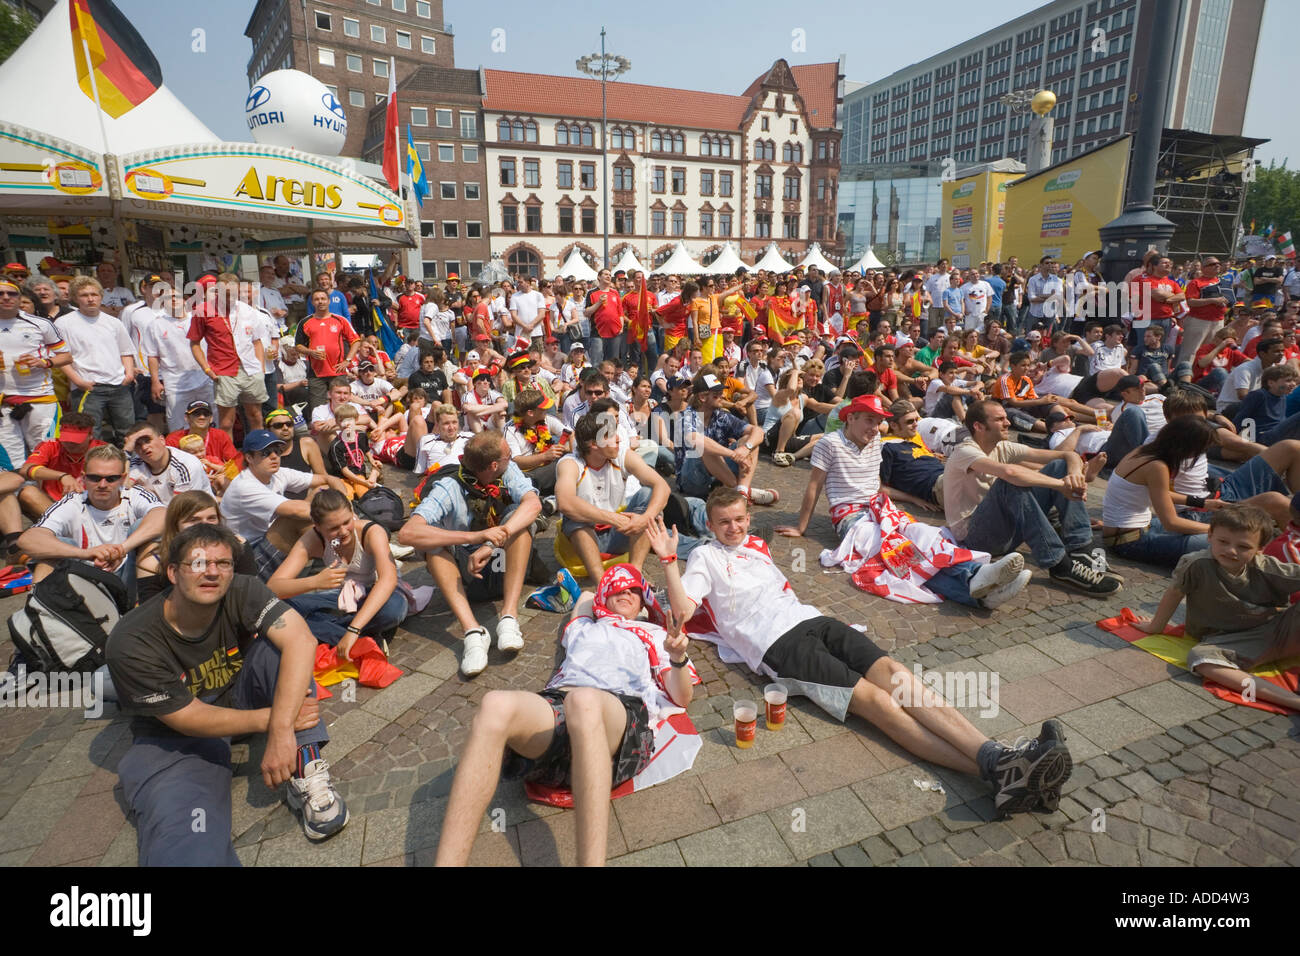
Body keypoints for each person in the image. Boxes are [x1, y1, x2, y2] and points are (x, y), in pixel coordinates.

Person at [651, 496, 1072, 816]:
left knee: (895, 673)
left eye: (741, 518)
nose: (734, 527)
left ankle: (999, 760)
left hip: (812, 620)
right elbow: (685, 610)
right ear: (709, 524)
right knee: (875, 701)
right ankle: (1002, 767)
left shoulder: (758, 546)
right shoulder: (704, 556)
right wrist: (670, 560)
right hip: (779, 647)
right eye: (724, 521)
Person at [108, 523, 347, 864]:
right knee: (190, 834)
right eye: (199, 563)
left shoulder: (242, 588)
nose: (212, 573)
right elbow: (187, 718)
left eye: (223, 564)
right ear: (173, 572)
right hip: (178, 736)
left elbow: (301, 639)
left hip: (240, 695)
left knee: (279, 649)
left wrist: (282, 730)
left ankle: (305, 766)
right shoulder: (132, 641)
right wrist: (277, 719)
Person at [435, 562, 695, 866]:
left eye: (633, 590)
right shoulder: (583, 627)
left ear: (643, 602)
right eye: (616, 588)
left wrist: (677, 656)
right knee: (494, 704)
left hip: (620, 715)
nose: (624, 592)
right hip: (562, 702)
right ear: (603, 599)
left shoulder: (654, 633)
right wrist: (600, 599)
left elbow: (681, 696)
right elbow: (586, 596)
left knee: (583, 703)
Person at [776, 394, 1028, 609]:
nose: (875, 428)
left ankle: (981, 589)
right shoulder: (829, 444)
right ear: (850, 418)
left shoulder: (875, 441)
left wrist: (909, 499)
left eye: (878, 422)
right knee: (897, 552)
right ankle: (976, 577)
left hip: (880, 506)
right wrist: (801, 527)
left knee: (923, 536)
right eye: (869, 420)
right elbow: (813, 486)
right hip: (849, 515)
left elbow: (876, 485)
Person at [397, 429, 542, 677]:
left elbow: (534, 503)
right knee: (432, 546)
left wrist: (492, 542)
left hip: (503, 564)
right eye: (509, 455)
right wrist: (473, 537)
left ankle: (508, 616)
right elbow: (407, 534)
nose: (513, 457)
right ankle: (473, 633)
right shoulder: (449, 486)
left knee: (521, 524)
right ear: (494, 464)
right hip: (467, 574)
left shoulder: (508, 471)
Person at [943, 399, 1119, 594]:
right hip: (975, 538)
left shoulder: (1003, 447)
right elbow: (1010, 473)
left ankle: (1081, 549)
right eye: (1000, 419)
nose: (1008, 422)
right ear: (979, 426)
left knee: (1059, 467)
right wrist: (1061, 485)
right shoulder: (964, 451)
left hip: (1005, 531)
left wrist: (1075, 476)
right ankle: (1059, 565)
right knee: (1010, 483)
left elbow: (1067, 456)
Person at [1136, 505, 1300, 712]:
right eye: (1223, 542)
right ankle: (1292, 701)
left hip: (1276, 630)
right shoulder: (1196, 564)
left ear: (1260, 549)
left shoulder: (1267, 566)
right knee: (1199, 659)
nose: (1231, 550)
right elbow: (1174, 593)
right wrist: (1154, 627)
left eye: (1243, 547)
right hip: (1224, 641)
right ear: (1210, 536)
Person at [268, 489, 406, 656]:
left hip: (377, 595)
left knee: (393, 608)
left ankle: (337, 632)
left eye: (347, 522)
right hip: (338, 597)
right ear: (318, 527)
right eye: (333, 528)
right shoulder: (313, 539)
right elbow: (273, 587)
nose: (343, 531)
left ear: (352, 512)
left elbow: (388, 580)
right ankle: (361, 642)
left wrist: (353, 630)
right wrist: (314, 582)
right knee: (279, 608)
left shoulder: (371, 532)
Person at [17, 444, 166, 591]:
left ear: (122, 479)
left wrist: (121, 549)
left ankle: (147, 602)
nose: (102, 484)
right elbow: (28, 540)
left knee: (146, 529)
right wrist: (86, 553)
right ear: (83, 478)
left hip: (129, 577)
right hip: (85, 580)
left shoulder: (135, 495)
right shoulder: (72, 502)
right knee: (53, 547)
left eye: (111, 478)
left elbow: (164, 516)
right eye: (95, 478)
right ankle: (38, 607)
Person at [555, 408, 672, 583]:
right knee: (575, 513)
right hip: (583, 538)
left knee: (648, 496)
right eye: (611, 436)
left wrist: (645, 518)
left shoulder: (622, 455)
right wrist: (614, 519)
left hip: (619, 533)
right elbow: (565, 503)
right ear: (594, 444)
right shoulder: (571, 463)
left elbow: (662, 486)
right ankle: (601, 583)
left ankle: (634, 575)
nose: (618, 438)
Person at [1101, 416, 1216, 567]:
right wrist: (1216, 532)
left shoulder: (1143, 452)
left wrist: (1202, 503)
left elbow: (1160, 493)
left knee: (1211, 518)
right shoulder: (1157, 466)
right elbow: (1171, 523)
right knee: (1224, 545)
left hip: (1135, 529)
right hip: (1129, 542)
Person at [220, 429, 331, 579]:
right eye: (265, 453)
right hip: (246, 561)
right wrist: (342, 514)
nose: (274, 457)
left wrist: (344, 502)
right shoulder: (244, 486)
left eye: (277, 451)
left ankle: (327, 561)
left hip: (265, 543)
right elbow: (297, 511)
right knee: (291, 519)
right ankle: (330, 563)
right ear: (249, 458)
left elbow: (327, 480)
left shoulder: (278, 473)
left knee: (320, 491)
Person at [671, 372, 777, 504]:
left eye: (721, 392)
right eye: (717, 394)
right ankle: (737, 491)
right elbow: (696, 440)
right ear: (703, 397)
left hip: (717, 474)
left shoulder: (721, 415)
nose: (722, 396)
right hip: (691, 480)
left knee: (749, 439)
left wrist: (746, 447)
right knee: (705, 447)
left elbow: (758, 431)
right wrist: (733, 454)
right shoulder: (685, 416)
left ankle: (742, 492)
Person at [0, 276, 71, 470]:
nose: (6, 297)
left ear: (19, 296)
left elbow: (66, 357)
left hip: (40, 401)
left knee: (47, 457)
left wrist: (44, 362)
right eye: (1, 293)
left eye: (12, 293)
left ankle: (51, 498)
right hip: (3, 404)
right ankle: (21, 497)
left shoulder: (41, 324)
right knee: (10, 463)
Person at [56, 276, 137, 444]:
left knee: (128, 431)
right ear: (75, 298)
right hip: (87, 388)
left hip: (118, 386)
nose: (90, 299)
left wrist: (128, 374)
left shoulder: (114, 322)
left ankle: (129, 466)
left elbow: (126, 351)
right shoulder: (64, 323)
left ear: (101, 296)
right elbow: (61, 358)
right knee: (89, 433)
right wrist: (78, 381)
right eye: (84, 295)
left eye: (94, 294)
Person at [296, 289, 362, 417]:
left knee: (342, 408)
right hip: (316, 373)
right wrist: (310, 352)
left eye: (323, 299)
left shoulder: (340, 320)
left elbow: (356, 341)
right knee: (317, 409)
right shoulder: (305, 322)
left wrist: (347, 361)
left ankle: (344, 434)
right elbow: (298, 346)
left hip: (338, 371)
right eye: (317, 299)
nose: (320, 302)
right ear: (312, 302)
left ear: (329, 301)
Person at [125, 421, 212, 504]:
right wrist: (126, 452)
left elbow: (180, 509)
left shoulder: (187, 465)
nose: (144, 447)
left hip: (194, 514)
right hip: (160, 514)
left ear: (162, 440)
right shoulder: (136, 463)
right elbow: (122, 490)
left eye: (148, 441)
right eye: (137, 444)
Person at [505, 388, 568, 496]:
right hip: (528, 473)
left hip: (547, 466)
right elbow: (516, 462)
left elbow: (570, 433)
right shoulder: (510, 430)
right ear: (530, 413)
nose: (547, 409)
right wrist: (544, 456)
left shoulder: (546, 419)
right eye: (543, 408)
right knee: (565, 464)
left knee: (569, 458)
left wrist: (566, 447)